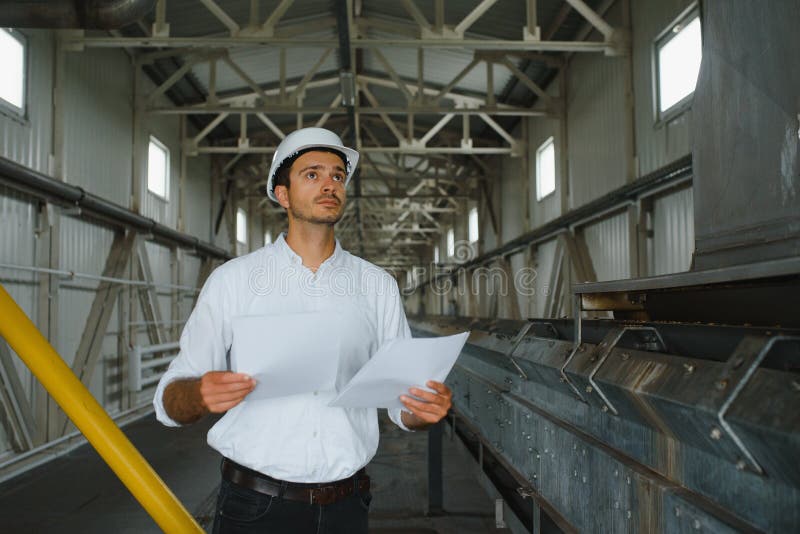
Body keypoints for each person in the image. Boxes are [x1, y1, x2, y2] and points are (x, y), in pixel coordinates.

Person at [153, 127, 453, 534]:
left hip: (347, 509)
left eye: (337, 175)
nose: (329, 184)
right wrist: (200, 392)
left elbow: (400, 404)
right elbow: (170, 398)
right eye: (312, 174)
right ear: (282, 194)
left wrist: (421, 412)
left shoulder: (377, 285)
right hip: (254, 509)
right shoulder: (234, 281)